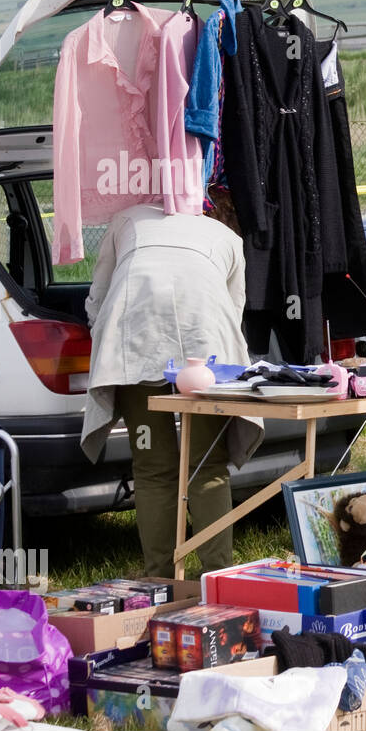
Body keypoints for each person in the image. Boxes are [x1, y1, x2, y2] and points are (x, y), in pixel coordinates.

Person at [80, 200, 264, 577]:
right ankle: (217, 577)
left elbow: (97, 298)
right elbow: (235, 309)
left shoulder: (125, 218)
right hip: (205, 352)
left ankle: (158, 579)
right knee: (207, 468)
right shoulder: (227, 237)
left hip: (136, 345)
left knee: (152, 469)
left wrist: (107, 341)